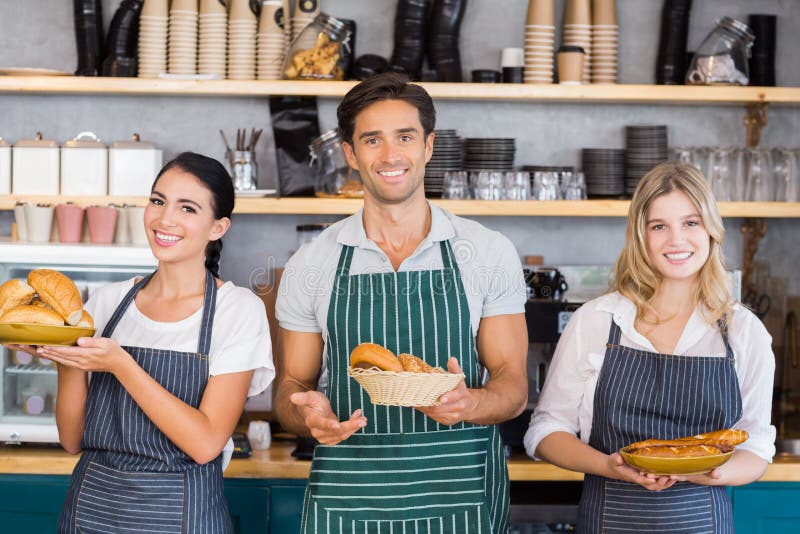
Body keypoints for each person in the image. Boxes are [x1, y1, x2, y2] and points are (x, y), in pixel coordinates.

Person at [275, 72, 528, 533]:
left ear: (428, 146)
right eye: (372, 140)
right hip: (349, 501)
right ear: (350, 153)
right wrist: (306, 415)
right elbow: (291, 385)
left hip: (460, 498)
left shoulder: (488, 252)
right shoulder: (312, 263)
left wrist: (470, 403)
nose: (390, 156)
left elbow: (513, 386)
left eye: (405, 137)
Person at [6, 152, 274, 532]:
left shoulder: (237, 310)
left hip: (182, 517)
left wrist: (121, 365)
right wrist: (64, 360)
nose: (165, 219)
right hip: (90, 513)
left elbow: (205, 443)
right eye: (158, 201)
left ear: (218, 227)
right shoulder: (107, 302)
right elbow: (71, 439)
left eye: (188, 209)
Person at [525, 161, 776, 532]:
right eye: (660, 226)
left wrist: (711, 473)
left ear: (710, 229)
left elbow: (755, 447)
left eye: (690, 223)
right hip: (609, 520)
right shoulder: (597, 320)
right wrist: (610, 466)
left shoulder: (742, 331)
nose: (677, 240)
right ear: (640, 236)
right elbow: (545, 432)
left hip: (702, 523)